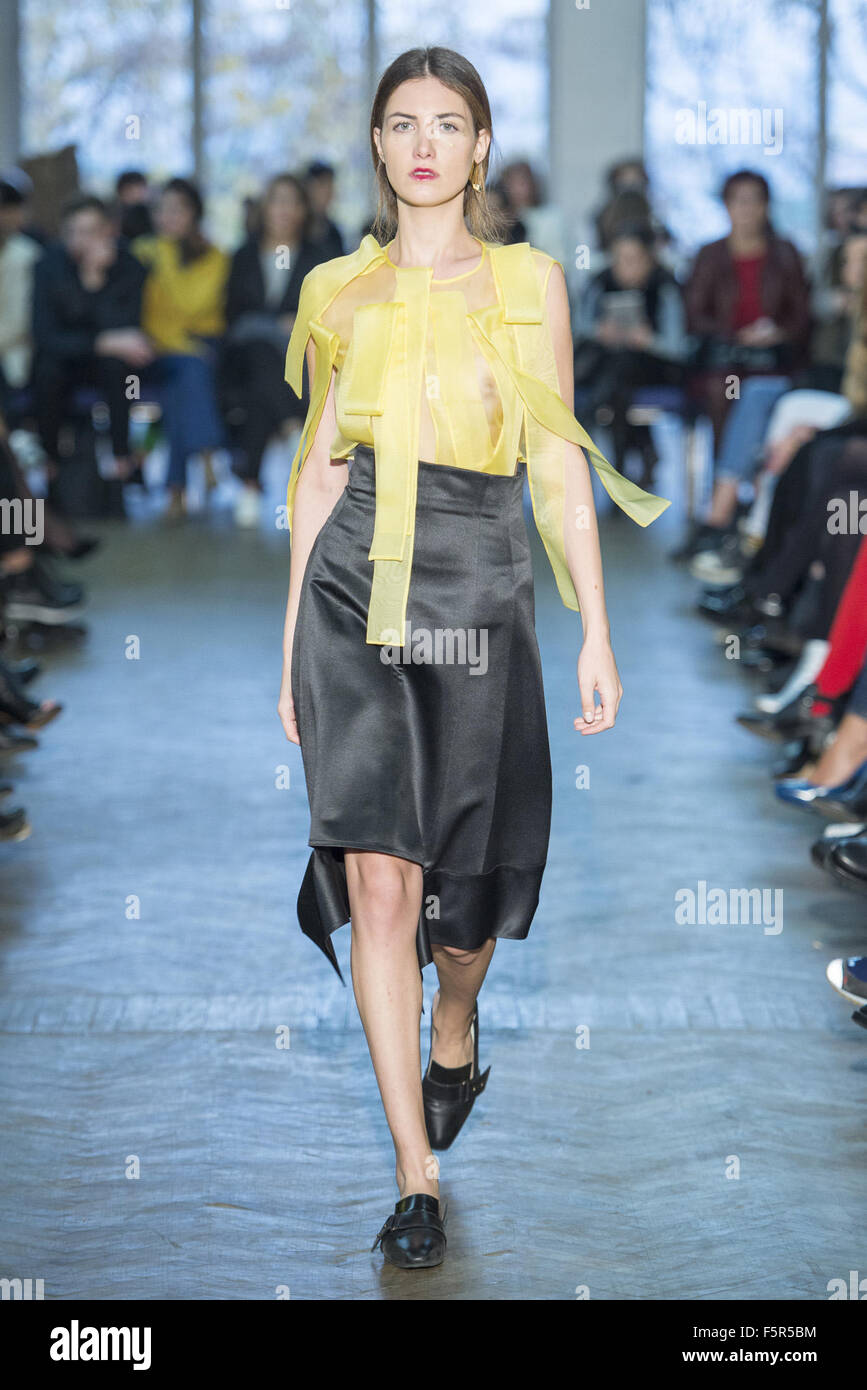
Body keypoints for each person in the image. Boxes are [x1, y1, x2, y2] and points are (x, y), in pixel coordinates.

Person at [277, 46, 669, 1271]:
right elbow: (319, 468)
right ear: (381, 148)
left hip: (481, 586)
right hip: (353, 588)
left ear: (483, 145)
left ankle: (458, 1029)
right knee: (380, 887)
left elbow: (557, 463)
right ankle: (415, 1174)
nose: (427, 143)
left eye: (451, 123)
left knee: (461, 912)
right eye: (404, 124)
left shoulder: (528, 281)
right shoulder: (338, 289)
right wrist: (289, 637)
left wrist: (596, 627)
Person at [221, 174, 328, 526]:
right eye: (276, 200)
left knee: (261, 389)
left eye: (291, 202)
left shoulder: (320, 255)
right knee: (260, 354)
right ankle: (292, 427)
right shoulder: (243, 255)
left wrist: (295, 326)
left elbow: (330, 310)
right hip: (246, 356)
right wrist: (277, 325)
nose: (283, 210)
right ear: (264, 208)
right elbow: (234, 318)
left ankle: (250, 484)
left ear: (303, 210)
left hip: (300, 357)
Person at [31, 194, 155, 488]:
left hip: (112, 364)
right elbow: (45, 336)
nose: (81, 240)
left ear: (108, 231)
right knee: (47, 370)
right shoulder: (48, 265)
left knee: (118, 367)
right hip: (64, 360)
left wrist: (96, 280)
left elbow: (130, 331)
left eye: (90, 231)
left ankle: (121, 462)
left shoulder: (129, 265)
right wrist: (90, 281)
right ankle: (51, 464)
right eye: (73, 232)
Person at [131, 178, 230, 521]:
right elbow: (143, 314)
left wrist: (165, 257)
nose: (168, 217)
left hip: (205, 347)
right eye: (161, 209)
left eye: (178, 209)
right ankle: (206, 455)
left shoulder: (214, 256)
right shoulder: (143, 251)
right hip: (158, 349)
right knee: (188, 371)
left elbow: (194, 305)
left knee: (180, 387)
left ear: (195, 213)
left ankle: (176, 492)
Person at [573, 222, 686, 484]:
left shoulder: (665, 287)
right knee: (617, 376)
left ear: (650, 259)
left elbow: (678, 346)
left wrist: (649, 340)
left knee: (619, 372)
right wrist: (599, 332)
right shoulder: (599, 283)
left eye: (634, 259)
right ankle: (628, 465)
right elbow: (578, 328)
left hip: (654, 367)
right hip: (608, 364)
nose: (626, 266)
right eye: (620, 259)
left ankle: (604, 442)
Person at [303, 160, 345, 261]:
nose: (326, 191)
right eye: (321, 185)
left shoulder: (334, 233)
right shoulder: (295, 227)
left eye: (329, 185)